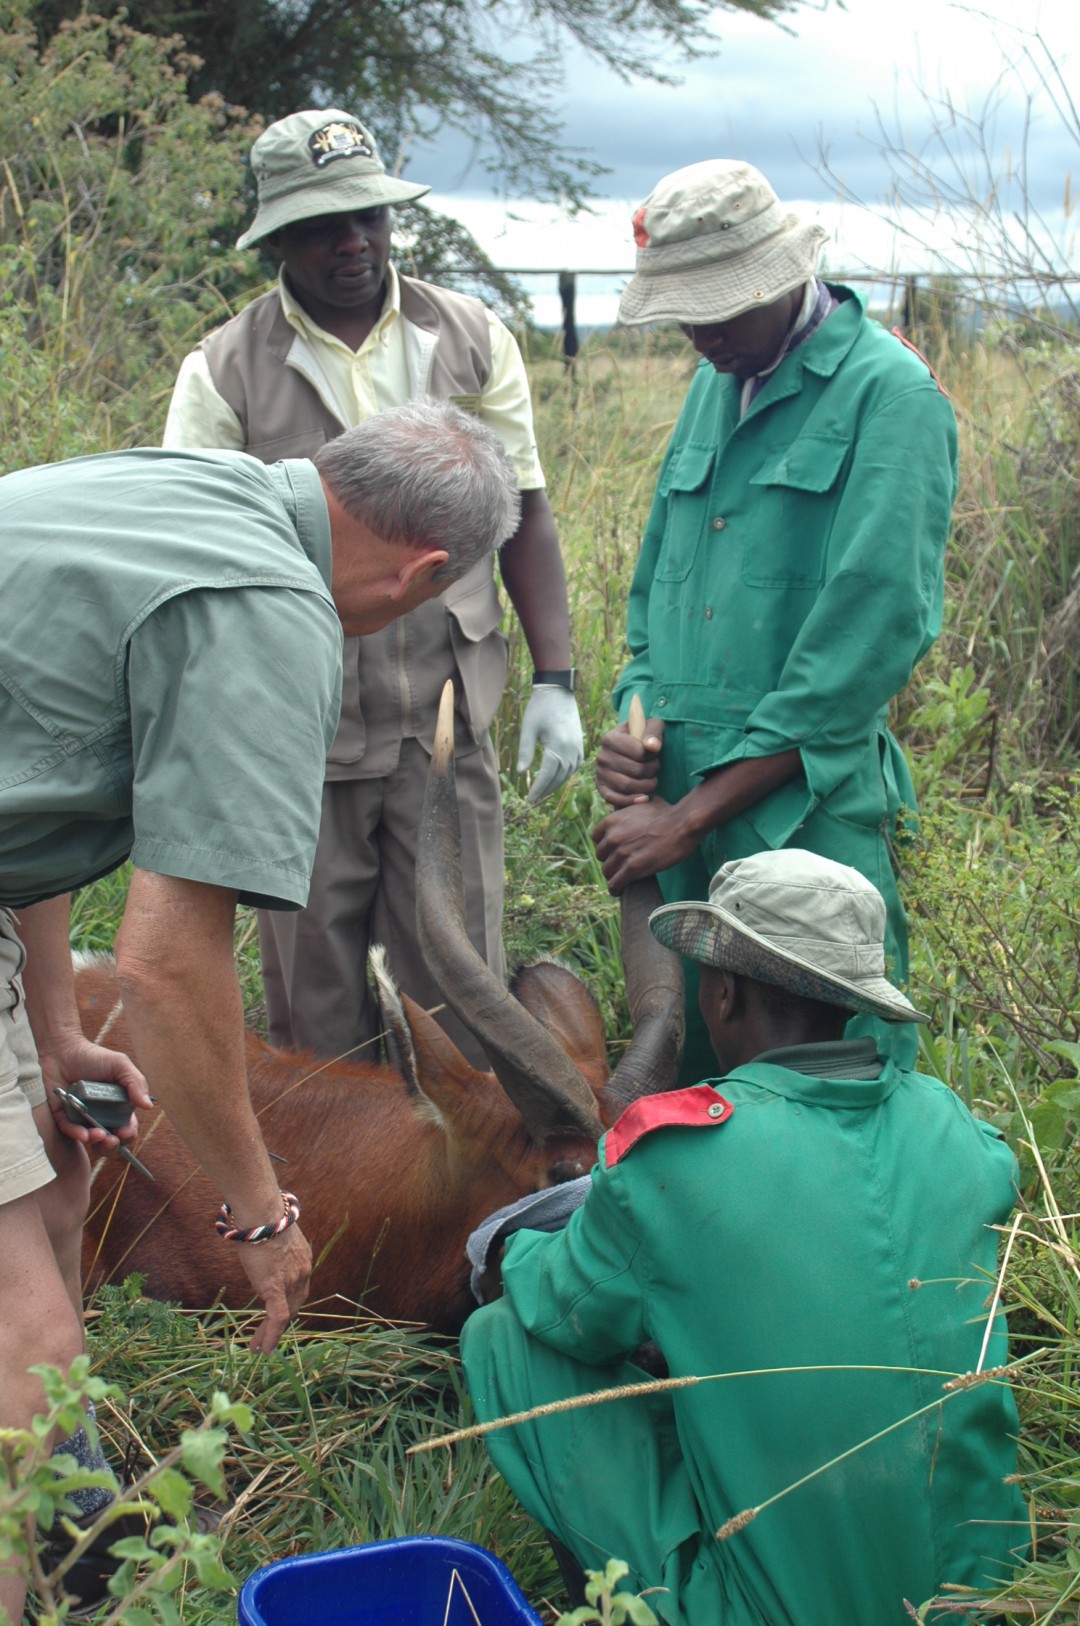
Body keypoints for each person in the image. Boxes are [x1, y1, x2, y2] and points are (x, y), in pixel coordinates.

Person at [0, 398, 519, 1621]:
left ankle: (72, 1525)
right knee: (21, 1315)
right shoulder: (276, 615)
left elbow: (38, 773)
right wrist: (256, 1208)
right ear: (426, 571)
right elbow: (171, 966)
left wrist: (52, 1030)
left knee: (60, 1160)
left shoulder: (194, 489)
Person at [461, 849, 1025, 1626]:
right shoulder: (965, 1137)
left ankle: (609, 1604)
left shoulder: (678, 1158)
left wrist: (507, 1247)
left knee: (504, 1339)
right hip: (989, 1603)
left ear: (722, 993)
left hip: (776, 1612)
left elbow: (565, 1314)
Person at [164, 109, 583, 1066]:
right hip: (299, 732)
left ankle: (467, 1210)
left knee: (463, 994)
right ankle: (339, 1205)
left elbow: (525, 512)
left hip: (445, 716)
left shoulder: (469, 339)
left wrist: (554, 680)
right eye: (319, 226)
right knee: (315, 1007)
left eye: (368, 219)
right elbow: (201, 557)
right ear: (273, 240)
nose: (351, 243)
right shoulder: (225, 370)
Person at [592, 159, 958, 1081]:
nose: (702, 334)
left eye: (722, 308)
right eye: (685, 313)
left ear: (787, 274)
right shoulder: (714, 383)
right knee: (695, 1087)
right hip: (676, 806)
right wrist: (637, 726)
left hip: (803, 805)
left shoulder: (891, 394)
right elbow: (656, 600)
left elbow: (870, 637)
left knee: (830, 1082)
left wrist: (694, 815)